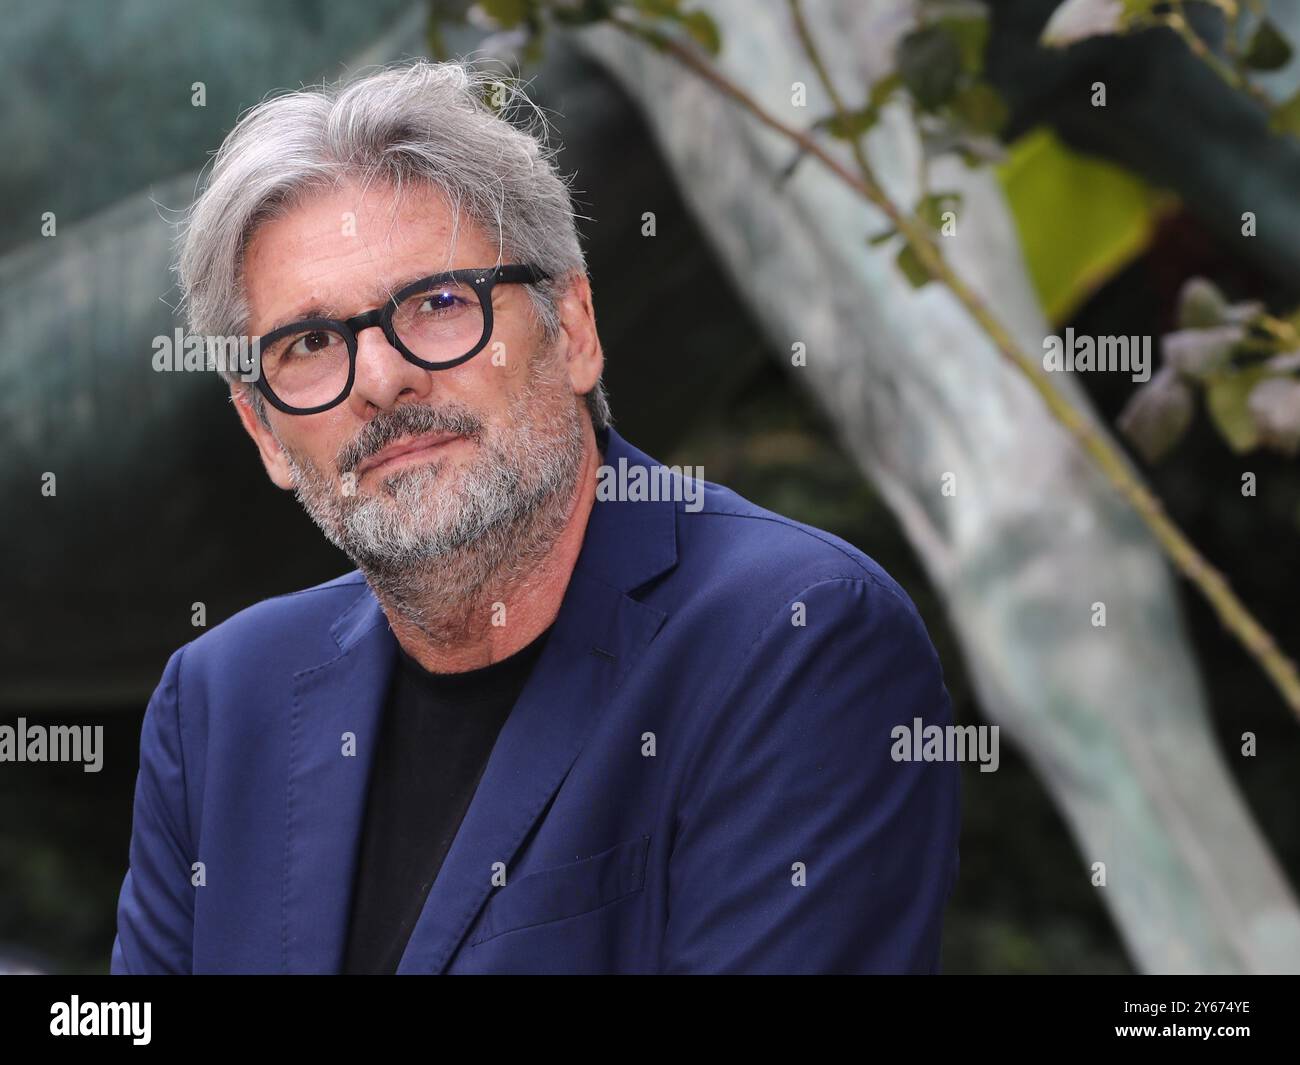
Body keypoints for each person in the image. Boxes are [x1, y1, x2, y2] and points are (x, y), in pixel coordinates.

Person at [110, 59, 960, 974]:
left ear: (574, 326)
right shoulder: (219, 702)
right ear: (265, 431)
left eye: (438, 304)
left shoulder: (794, 637)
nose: (380, 379)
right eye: (311, 343)